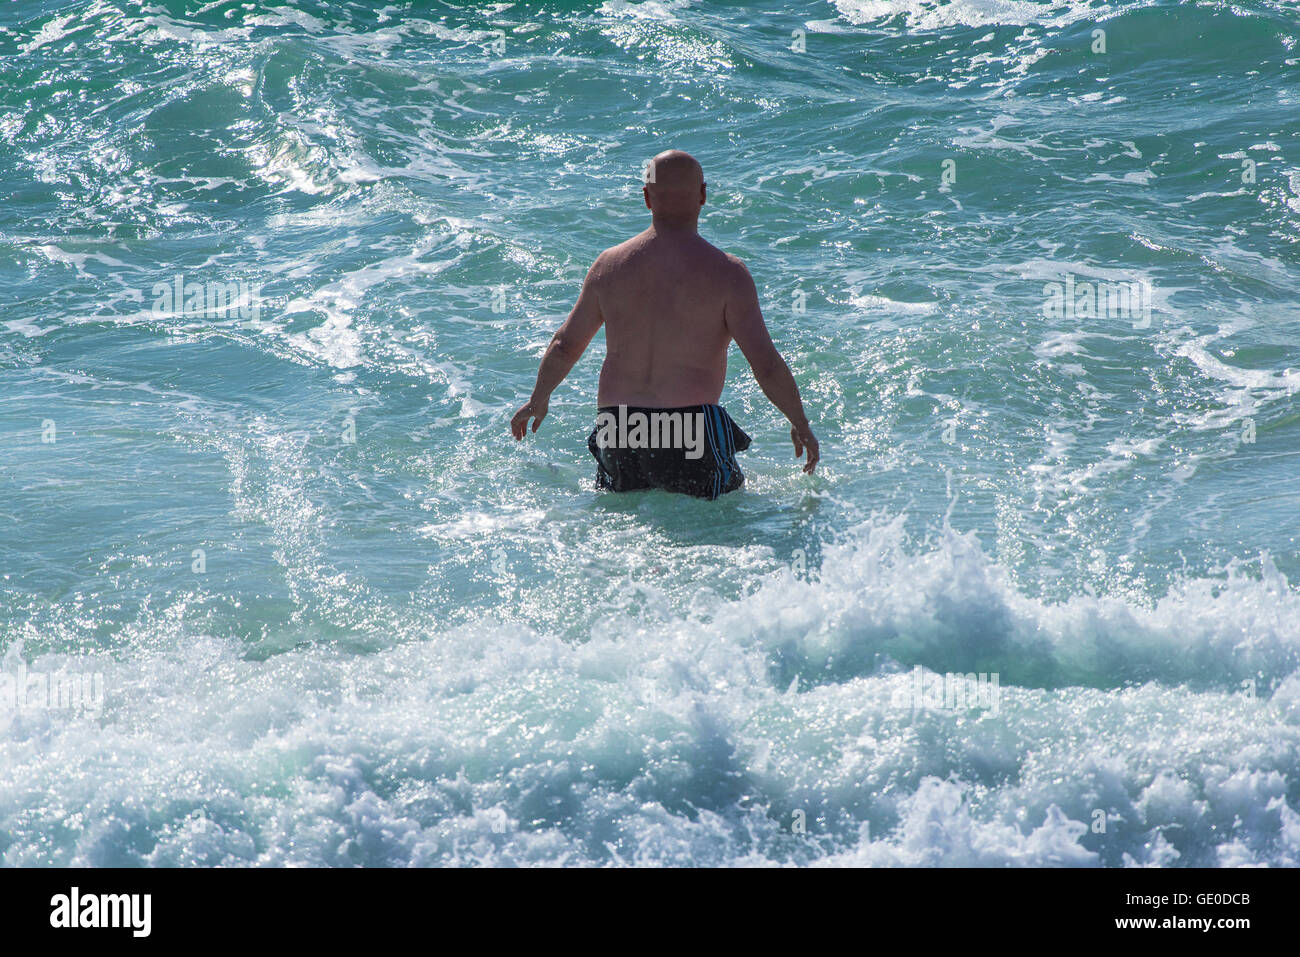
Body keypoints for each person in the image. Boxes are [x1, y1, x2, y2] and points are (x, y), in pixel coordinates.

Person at [510, 149, 818, 499]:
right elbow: (765, 363)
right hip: (691, 426)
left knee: (626, 525)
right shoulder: (728, 274)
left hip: (620, 425)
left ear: (646, 198)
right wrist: (799, 422)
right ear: (703, 194)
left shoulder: (608, 266)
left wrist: (539, 398)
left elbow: (565, 344)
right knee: (716, 530)